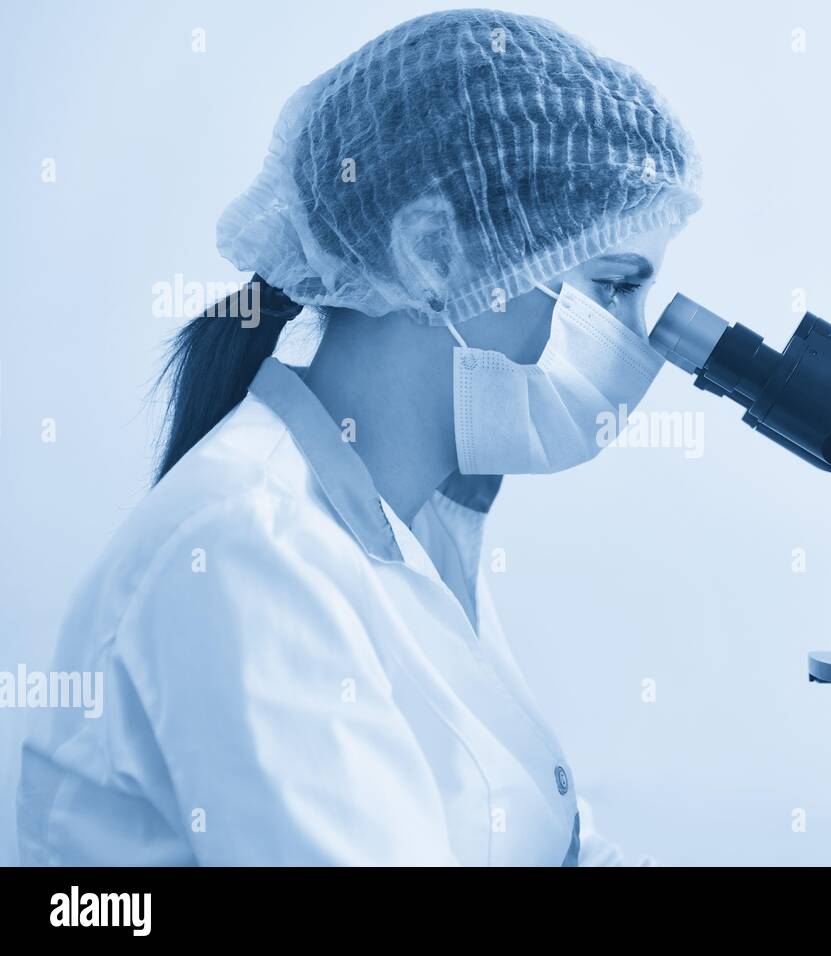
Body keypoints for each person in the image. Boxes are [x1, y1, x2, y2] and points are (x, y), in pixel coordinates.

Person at [18, 9, 700, 865]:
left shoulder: (415, 528)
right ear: (431, 253)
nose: (641, 341)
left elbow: (548, 844)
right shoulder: (249, 550)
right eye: (612, 285)